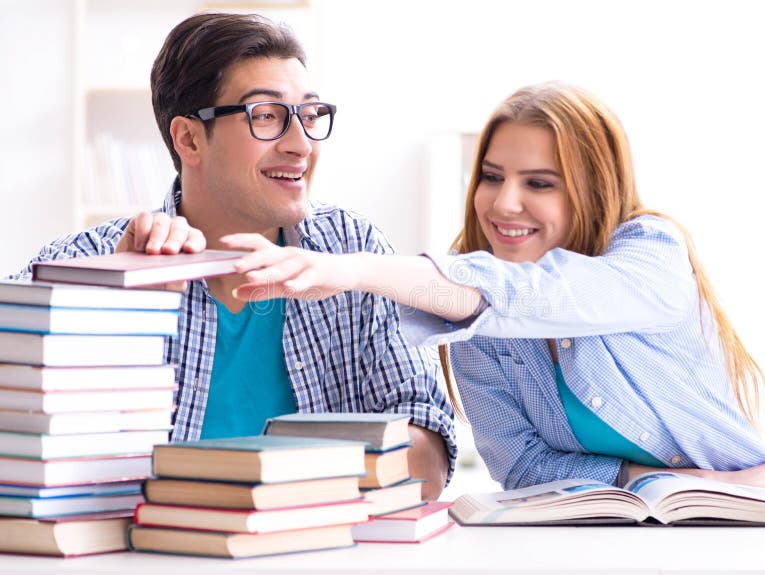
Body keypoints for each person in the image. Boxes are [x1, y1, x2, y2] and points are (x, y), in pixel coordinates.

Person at [219, 82, 765, 498]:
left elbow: (541, 294)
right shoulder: (474, 321)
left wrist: (350, 269)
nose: (503, 203)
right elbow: (521, 465)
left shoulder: (653, 255)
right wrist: (649, 482)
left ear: (591, 191)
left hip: (744, 523)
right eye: (492, 177)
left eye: (539, 184)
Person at [8, 12, 455, 499]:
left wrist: (275, 493)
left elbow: (430, 450)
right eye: (265, 116)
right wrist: (110, 308)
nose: (301, 145)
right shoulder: (86, 263)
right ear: (189, 139)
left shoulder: (354, 249)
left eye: (308, 115)